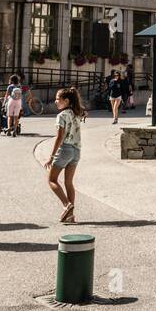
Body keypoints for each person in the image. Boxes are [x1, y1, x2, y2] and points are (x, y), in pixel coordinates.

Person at [46, 86, 87, 223]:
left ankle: (66, 204)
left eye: (58, 99)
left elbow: (59, 137)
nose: (55, 101)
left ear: (67, 100)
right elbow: (83, 112)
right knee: (69, 182)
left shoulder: (62, 116)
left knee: (51, 180)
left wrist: (51, 156)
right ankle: (70, 216)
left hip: (65, 149)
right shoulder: (76, 113)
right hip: (76, 151)